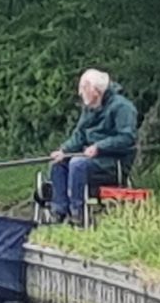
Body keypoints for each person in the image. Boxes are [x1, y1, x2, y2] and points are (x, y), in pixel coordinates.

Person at [48, 69, 138, 224]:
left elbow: (127, 138)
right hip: (90, 159)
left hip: (112, 163)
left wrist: (99, 147)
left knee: (77, 163)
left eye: (83, 88)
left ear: (94, 90)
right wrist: (64, 150)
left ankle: (78, 213)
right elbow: (79, 135)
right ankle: (59, 211)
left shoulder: (123, 107)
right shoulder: (89, 108)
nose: (80, 93)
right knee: (58, 163)